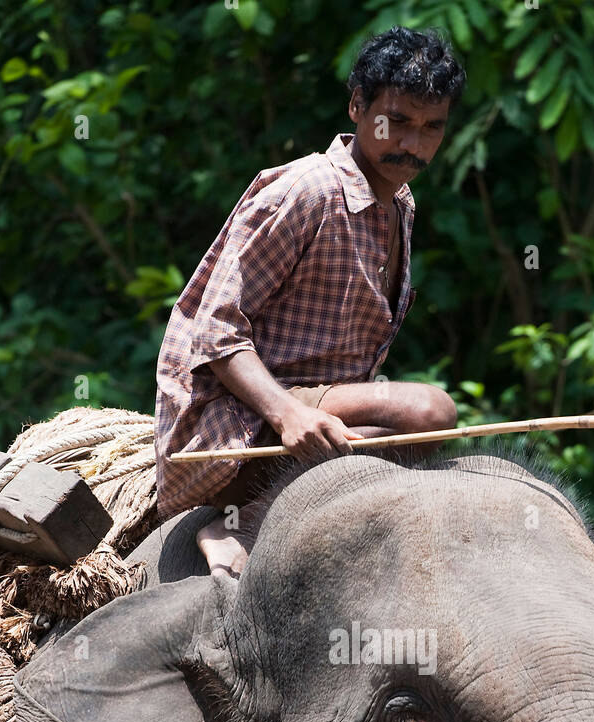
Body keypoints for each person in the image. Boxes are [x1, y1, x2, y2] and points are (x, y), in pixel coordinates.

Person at [154, 26, 466, 574]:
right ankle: (235, 521)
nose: (412, 145)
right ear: (357, 107)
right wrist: (288, 411)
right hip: (236, 426)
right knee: (429, 411)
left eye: (431, 128)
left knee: (428, 434)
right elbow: (216, 331)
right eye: (396, 122)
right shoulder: (309, 191)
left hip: (313, 417)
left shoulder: (401, 206)